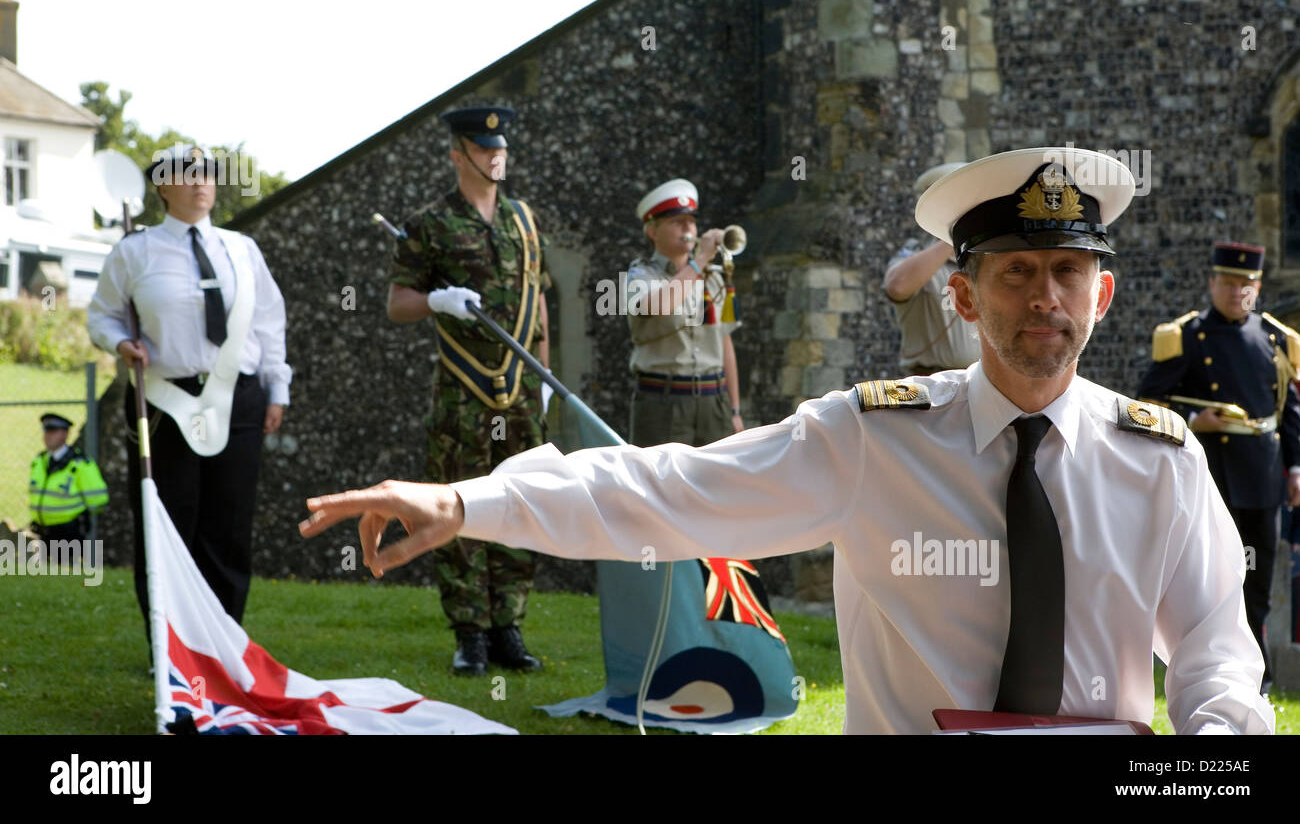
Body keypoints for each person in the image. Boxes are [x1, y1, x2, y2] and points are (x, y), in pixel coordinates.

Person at [305, 147, 1274, 734]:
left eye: (1068, 271)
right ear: (966, 295)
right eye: (1016, 271)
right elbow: (668, 489)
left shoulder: (1158, 457)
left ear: (1100, 296)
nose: (1044, 296)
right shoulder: (874, 438)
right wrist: (470, 501)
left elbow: (1210, 644)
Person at [87, 144, 290, 628]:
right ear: (163, 187)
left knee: (229, 525)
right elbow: (103, 315)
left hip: (238, 397)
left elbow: (268, 321)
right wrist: (120, 344)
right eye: (186, 174)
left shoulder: (242, 249)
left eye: (207, 173)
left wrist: (276, 388)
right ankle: (171, 645)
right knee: (167, 527)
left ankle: (224, 643)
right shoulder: (134, 251)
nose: (200, 182)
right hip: (162, 400)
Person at [386, 105, 550, 676]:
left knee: (521, 503)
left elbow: (540, 303)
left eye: (500, 146)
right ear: (458, 155)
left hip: (523, 392)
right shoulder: (429, 224)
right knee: (456, 504)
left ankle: (509, 626)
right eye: (483, 148)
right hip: (462, 392)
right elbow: (397, 303)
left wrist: (545, 379)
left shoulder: (525, 221)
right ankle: (470, 633)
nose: (495, 155)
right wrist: (436, 300)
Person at [1136, 242, 1300, 692]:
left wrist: (1296, 470)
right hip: (1212, 472)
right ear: (1211, 283)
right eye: (1228, 282)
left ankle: (1258, 677)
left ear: (1258, 287)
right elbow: (1149, 402)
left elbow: (1289, 411)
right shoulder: (1186, 336)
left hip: (1264, 475)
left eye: (1246, 283)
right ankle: (1208, 670)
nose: (1237, 291)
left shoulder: (1276, 339)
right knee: (1212, 578)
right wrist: (1194, 421)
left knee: (1258, 578)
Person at [626, 178, 743, 445]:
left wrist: (734, 410)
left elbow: (725, 343)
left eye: (691, 221)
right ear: (652, 231)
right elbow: (660, 305)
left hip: (714, 401)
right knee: (662, 485)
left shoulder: (712, 277)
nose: (687, 228)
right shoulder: (640, 275)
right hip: (663, 402)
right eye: (677, 222)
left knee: (718, 483)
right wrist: (700, 259)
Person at [882, 161, 981, 376]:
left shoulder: (986, 259)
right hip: (927, 381)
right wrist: (953, 237)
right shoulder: (917, 254)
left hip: (981, 383)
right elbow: (897, 287)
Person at [27, 412, 108, 547]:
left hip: (69, 532)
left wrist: (80, 517)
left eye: (53, 431)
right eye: (46, 431)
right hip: (41, 529)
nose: (48, 436)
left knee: (65, 567)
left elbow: (98, 499)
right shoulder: (39, 461)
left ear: (65, 434)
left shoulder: (81, 464)